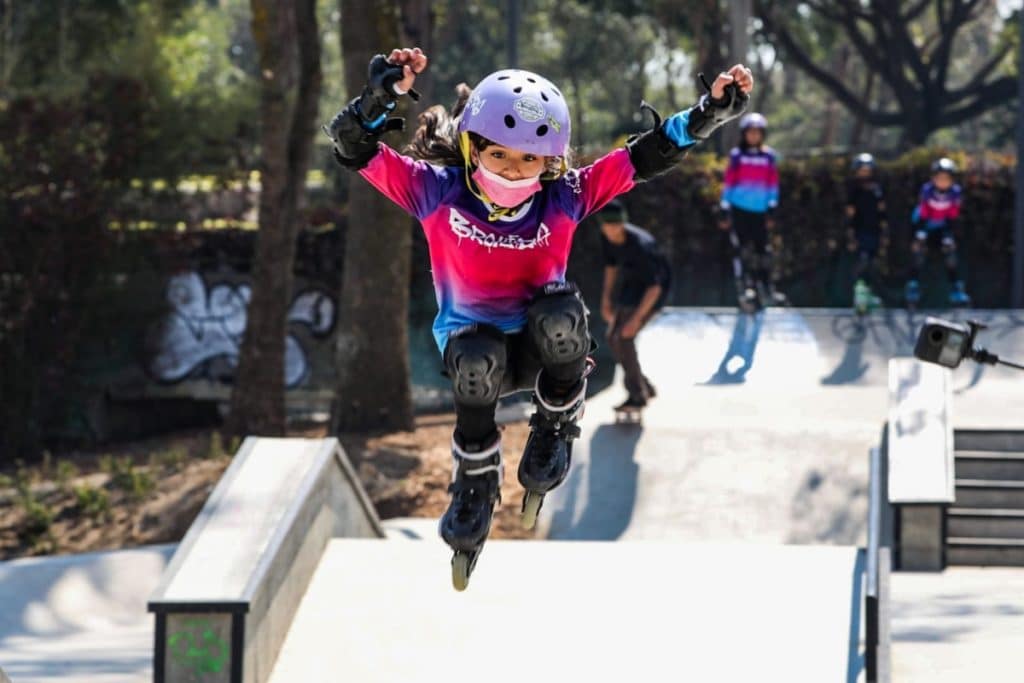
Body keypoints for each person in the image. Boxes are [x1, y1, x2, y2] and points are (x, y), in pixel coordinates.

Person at [326, 46, 753, 586]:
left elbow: (643, 156)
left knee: (558, 314)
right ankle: (477, 477)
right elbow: (353, 148)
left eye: (529, 160)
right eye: (499, 156)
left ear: (550, 161)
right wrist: (377, 99)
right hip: (475, 355)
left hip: (545, 349)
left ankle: (555, 422)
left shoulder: (565, 195)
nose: (513, 171)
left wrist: (706, 114)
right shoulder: (436, 190)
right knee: (479, 358)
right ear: (470, 145)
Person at [597, 199, 670, 411]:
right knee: (613, 337)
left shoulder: (640, 245)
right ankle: (645, 385)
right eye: (608, 227)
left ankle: (637, 396)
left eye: (616, 227)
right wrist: (606, 301)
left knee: (624, 337)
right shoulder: (606, 237)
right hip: (632, 286)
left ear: (623, 223)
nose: (612, 232)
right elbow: (611, 267)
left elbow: (655, 288)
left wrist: (636, 320)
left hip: (655, 290)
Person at [719, 112, 782, 310]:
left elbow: (773, 184)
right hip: (739, 209)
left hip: (760, 211)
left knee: (762, 250)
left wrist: (772, 207)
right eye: (750, 132)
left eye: (757, 132)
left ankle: (765, 285)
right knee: (742, 250)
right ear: (744, 134)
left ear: (763, 134)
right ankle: (745, 286)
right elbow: (728, 183)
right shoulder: (737, 156)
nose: (754, 136)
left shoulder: (769, 156)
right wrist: (724, 207)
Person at [906, 157, 970, 307]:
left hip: (943, 227)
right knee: (919, 252)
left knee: (950, 253)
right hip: (925, 225)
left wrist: (949, 235)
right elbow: (922, 213)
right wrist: (920, 233)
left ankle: (955, 288)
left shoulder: (955, 192)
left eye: (946, 178)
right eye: (939, 178)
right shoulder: (927, 190)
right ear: (933, 178)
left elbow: (952, 216)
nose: (942, 181)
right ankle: (913, 285)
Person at [845, 153, 887, 313]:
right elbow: (850, 213)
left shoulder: (877, 189)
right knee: (862, 259)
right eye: (861, 170)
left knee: (873, 261)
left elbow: (881, 210)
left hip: (874, 230)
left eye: (867, 170)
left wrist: (884, 230)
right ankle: (859, 291)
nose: (864, 173)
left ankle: (868, 294)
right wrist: (850, 233)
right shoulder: (854, 190)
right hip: (859, 230)